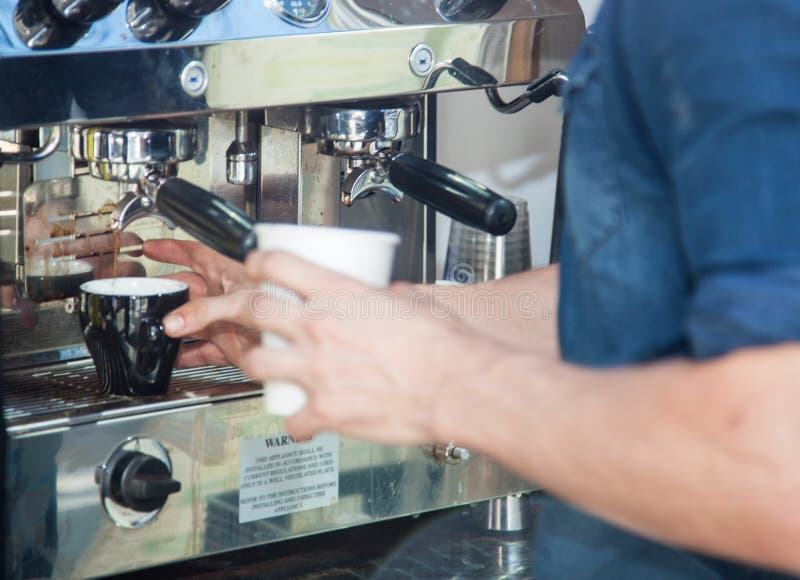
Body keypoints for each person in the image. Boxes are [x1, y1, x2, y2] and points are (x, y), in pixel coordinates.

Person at [144, 0, 800, 576]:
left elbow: (779, 465)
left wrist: (444, 382)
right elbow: (649, 300)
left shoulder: (725, 17)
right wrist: (372, 320)